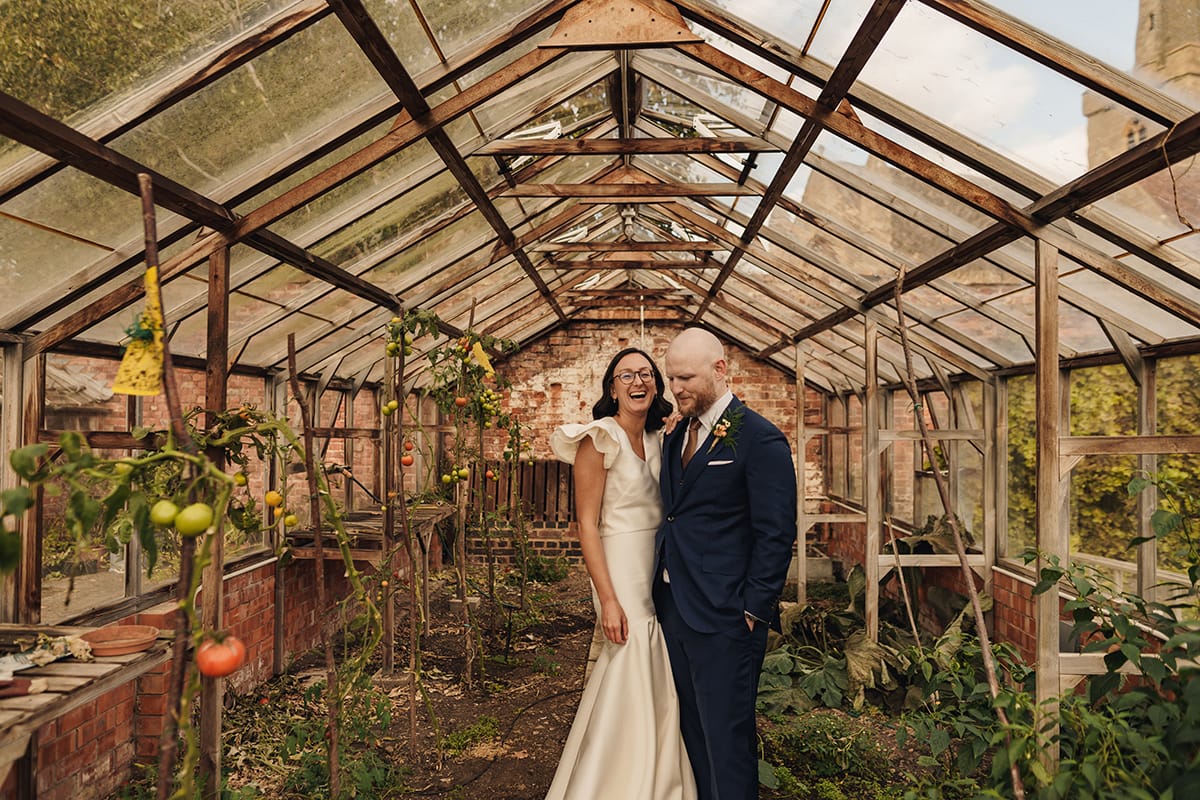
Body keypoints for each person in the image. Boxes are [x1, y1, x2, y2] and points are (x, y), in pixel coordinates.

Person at [546, 347, 697, 800]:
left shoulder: (662, 438)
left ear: (656, 384)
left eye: (647, 374)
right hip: (619, 568)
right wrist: (607, 598)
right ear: (612, 387)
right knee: (632, 652)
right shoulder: (599, 439)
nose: (639, 381)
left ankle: (657, 773)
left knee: (655, 666)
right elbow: (586, 526)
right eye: (627, 374)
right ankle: (611, 782)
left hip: (659, 565)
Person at [654, 327, 798, 800]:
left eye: (685, 378)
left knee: (728, 739)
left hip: (728, 618)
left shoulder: (760, 439)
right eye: (671, 378)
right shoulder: (678, 435)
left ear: (720, 370)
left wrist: (752, 610)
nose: (675, 389)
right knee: (694, 732)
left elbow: (775, 534)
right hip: (676, 609)